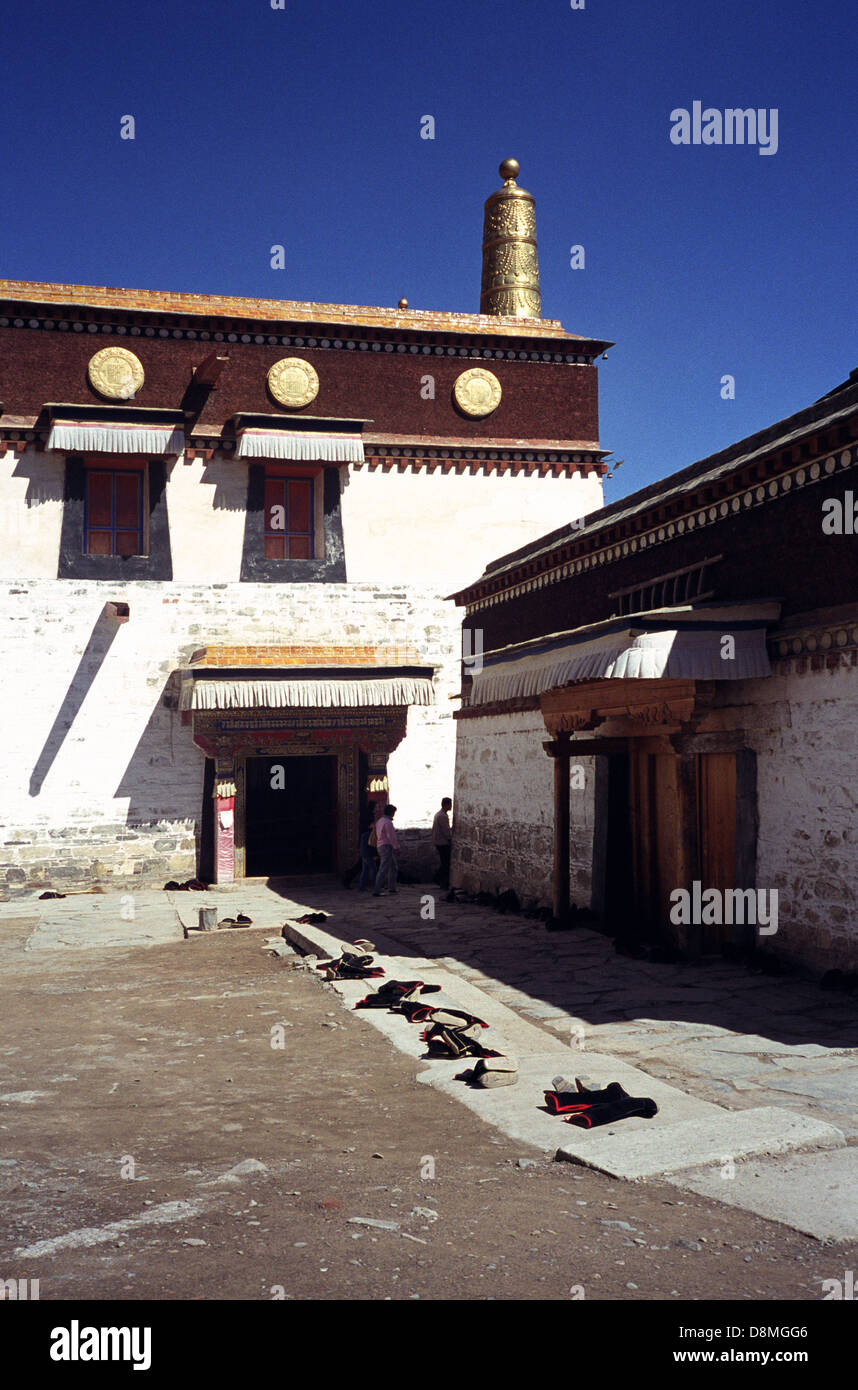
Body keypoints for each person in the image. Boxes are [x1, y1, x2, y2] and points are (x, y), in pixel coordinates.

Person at [372, 804, 400, 897]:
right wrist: (396, 847)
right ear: (391, 812)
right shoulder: (388, 822)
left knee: (393, 867)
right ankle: (377, 890)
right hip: (386, 846)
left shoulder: (380, 821)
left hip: (380, 845)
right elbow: (391, 836)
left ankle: (392, 887)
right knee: (383, 868)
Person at [432, 797, 453, 889]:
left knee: (444, 862)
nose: (451, 806)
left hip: (438, 841)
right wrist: (450, 839)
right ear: (446, 805)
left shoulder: (438, 814)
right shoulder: (442, 816)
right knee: (445, 863)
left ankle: (439, 880)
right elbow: (446, 831)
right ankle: (439, 879)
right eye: (450, 804)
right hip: (443, 842)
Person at [357, 812, 378, 892]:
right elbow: (371, 846)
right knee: (374, 869)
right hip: (368, 854)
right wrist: (374, 855)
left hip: (363, 854)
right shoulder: (370, 834)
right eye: (373, 824)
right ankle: (375, 886)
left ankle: (361, 886)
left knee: (365, 870)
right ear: (370, 825)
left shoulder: (364, 834)